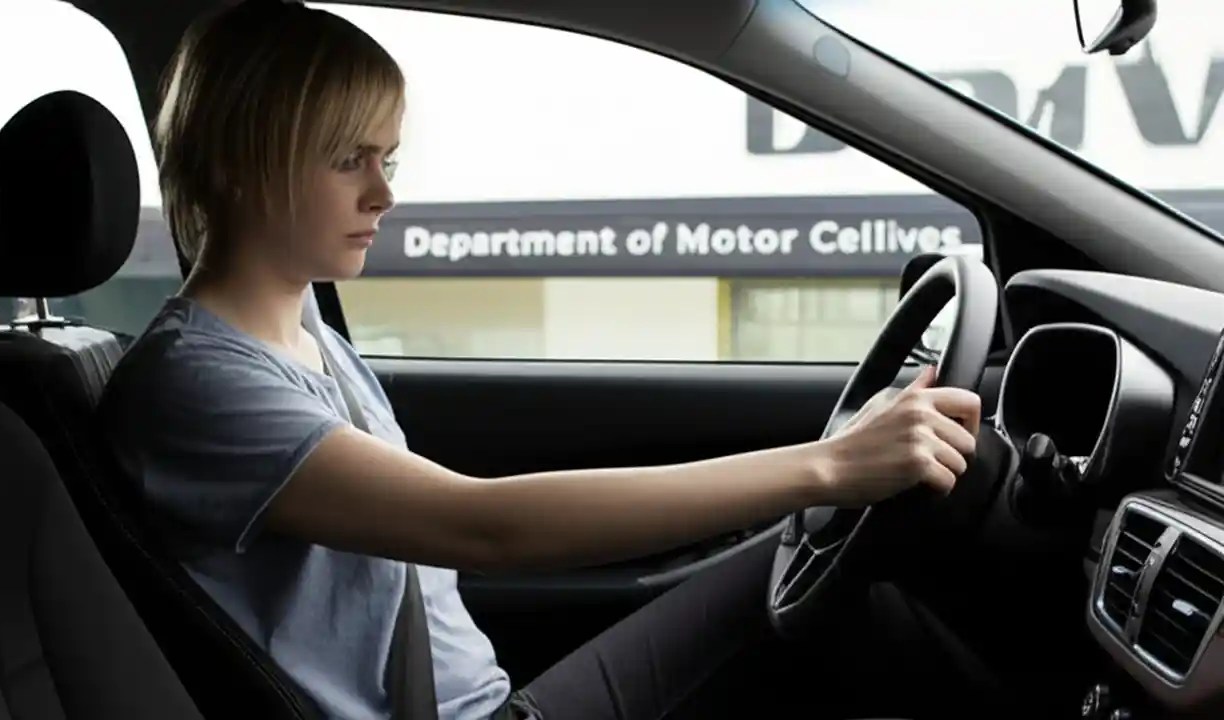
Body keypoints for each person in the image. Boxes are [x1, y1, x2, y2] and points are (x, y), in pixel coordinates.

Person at [97, 2, 984, 719]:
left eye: (387, 157)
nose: (385, 193)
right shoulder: (198, 385)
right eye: (346, 161)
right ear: (241, 164)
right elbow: (484, 526)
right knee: (843, 601)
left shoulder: (304, 341)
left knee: (810, 585)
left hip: (488, 699)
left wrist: (826, 474)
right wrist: (827, 466)